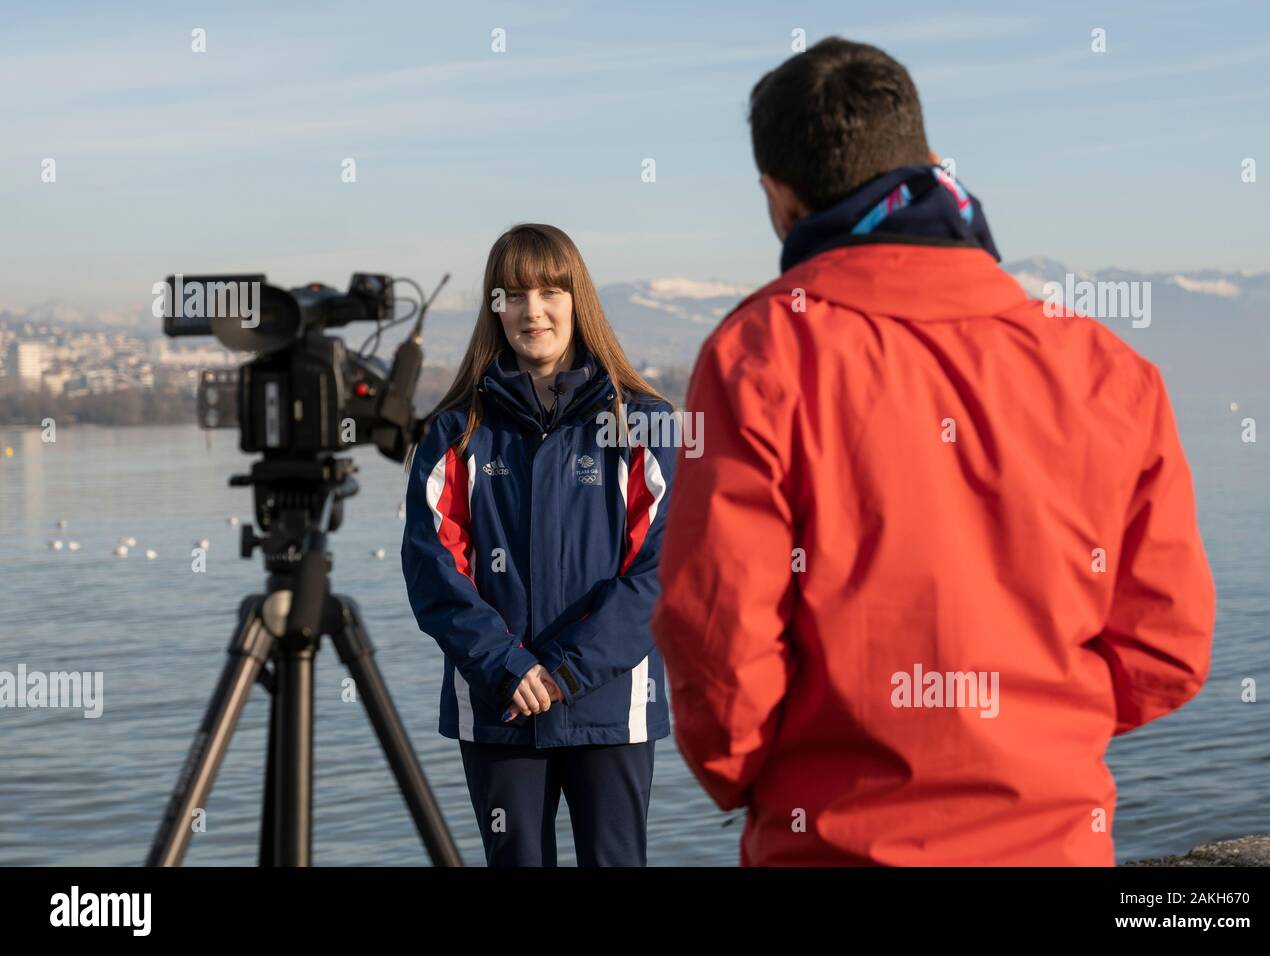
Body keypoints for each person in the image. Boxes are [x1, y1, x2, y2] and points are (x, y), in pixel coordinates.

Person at [650, 37, 1215, 866]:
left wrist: (758, 772)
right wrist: (1032, 737)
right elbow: (1167, 644)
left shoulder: (759, 354)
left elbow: (718, 634)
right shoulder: (1106, 370)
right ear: (931, 164)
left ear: (778, 200)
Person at [401, 223, 676, 867]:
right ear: (494, 308)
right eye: (514, 294)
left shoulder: (643, 424)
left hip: (609, 704)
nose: (533, 310)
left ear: (577, 298)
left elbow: (660, 570)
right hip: (501, 705)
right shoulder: (455, 431)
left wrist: (569, 671)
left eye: (551, 291)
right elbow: (433, 569)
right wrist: (506, 665)